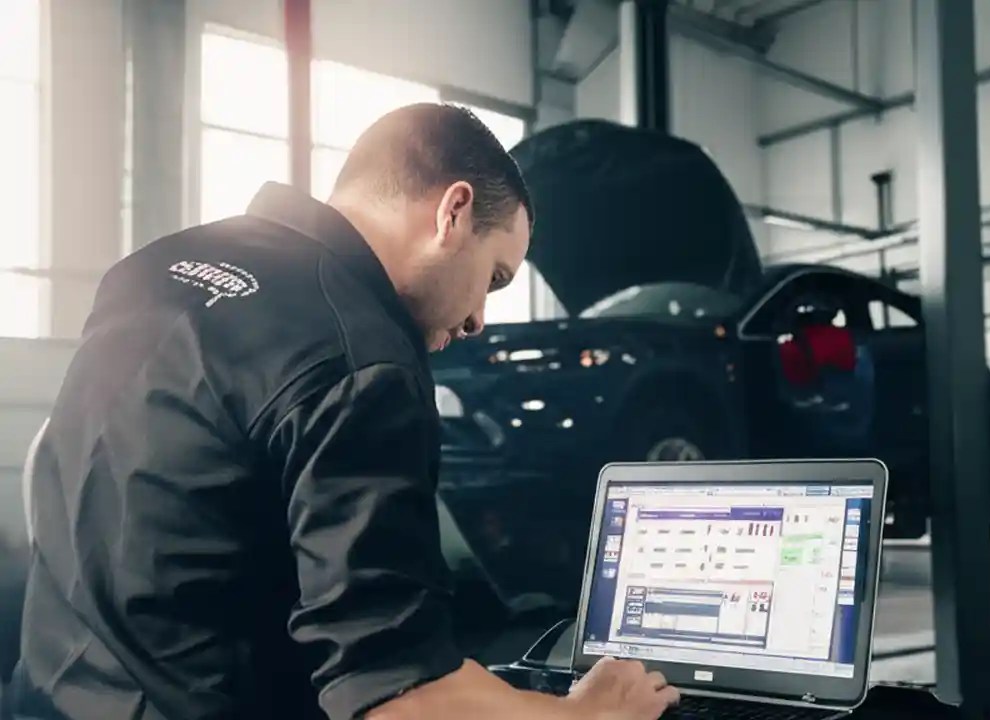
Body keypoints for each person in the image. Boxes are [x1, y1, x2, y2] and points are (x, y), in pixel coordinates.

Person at [10, 104, 678, 720]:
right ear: (454, 212)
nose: (479, 318)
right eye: (495, 277)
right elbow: (398, 697)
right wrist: (583, 713)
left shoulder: (154, 265)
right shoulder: (361, 356)